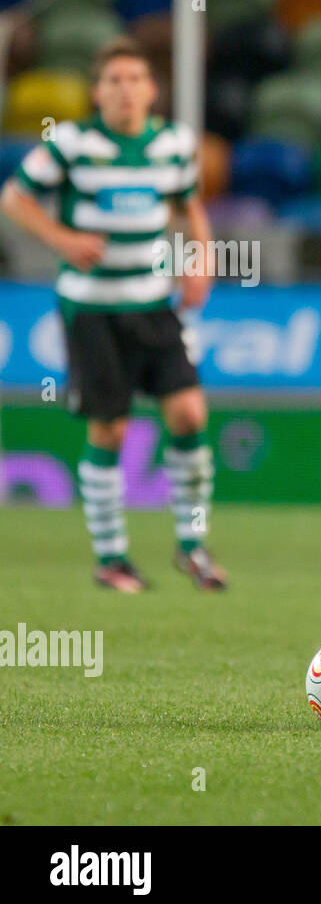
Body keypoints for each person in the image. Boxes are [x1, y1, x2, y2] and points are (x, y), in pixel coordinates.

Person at [0, 37, 226, 592]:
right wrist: (61, 237)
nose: (125, 90)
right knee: (111, 428)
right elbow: (14, 197)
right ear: (97, 92)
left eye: (134, 79)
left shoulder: (172, 143)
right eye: (113, 81)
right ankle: (111, 558)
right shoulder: (70, 143)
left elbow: (189, 205)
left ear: (152, 90)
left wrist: (201, 261)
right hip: (92, 309)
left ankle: (193, 547)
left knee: (190, 416)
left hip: (153, 304)